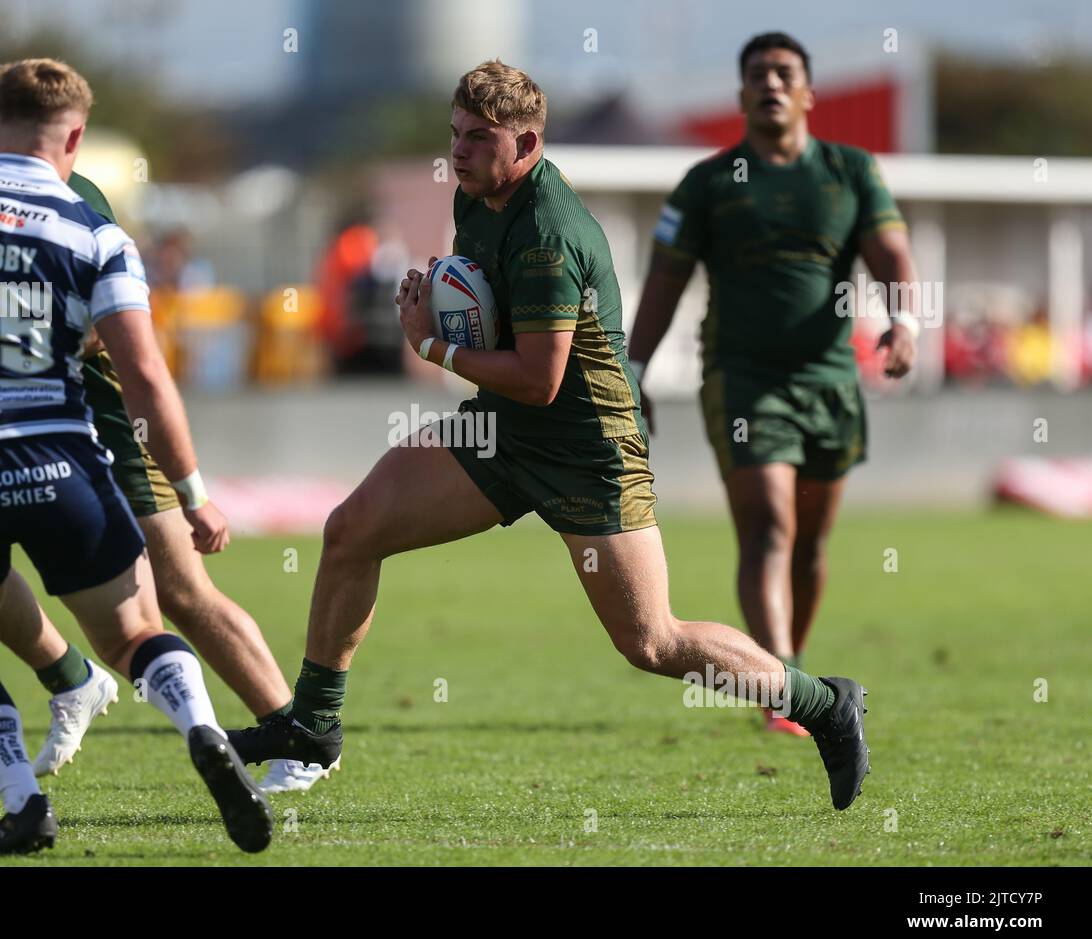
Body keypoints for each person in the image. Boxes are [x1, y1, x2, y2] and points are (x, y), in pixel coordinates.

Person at [226, 59, 871, 812]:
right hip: (507, 432)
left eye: (478, 138)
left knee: (652, 643)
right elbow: (495, 325)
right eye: (456, 133)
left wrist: (430, 344)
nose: (459, 151)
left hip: (588, 449)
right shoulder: (478, 195)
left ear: (527, 144)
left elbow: (541, 379)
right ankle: (314, 728)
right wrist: (439, 299)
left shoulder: (548, 234)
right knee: (350, 531)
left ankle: (825, 704)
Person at [0, 58, 272, 852]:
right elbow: (144, 373)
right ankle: (202, 728)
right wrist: (194, 490)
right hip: (59, 462)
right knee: (138, 632)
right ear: (74, 136)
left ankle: (22, 799)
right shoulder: (93, 231)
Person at [0, 64, 331, 792]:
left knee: (182, 593)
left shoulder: (68, 195)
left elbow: (112, 331)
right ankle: (71, 680)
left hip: (107, 420)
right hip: (16, 429)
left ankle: (299, 733)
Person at [629, 33, 920, 735]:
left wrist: (906, 322)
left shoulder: (851, 172)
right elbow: (665, 282)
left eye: (785, 73)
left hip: (829, 380)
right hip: (743, 380)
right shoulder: (708, 182)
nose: (771, 83)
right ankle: (786, 685)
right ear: (741, 95)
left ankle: (788, 669)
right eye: (757, 74)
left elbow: (893, 255)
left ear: (808, 92)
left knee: (811, 545)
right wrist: (633, 372)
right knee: (769, 527)